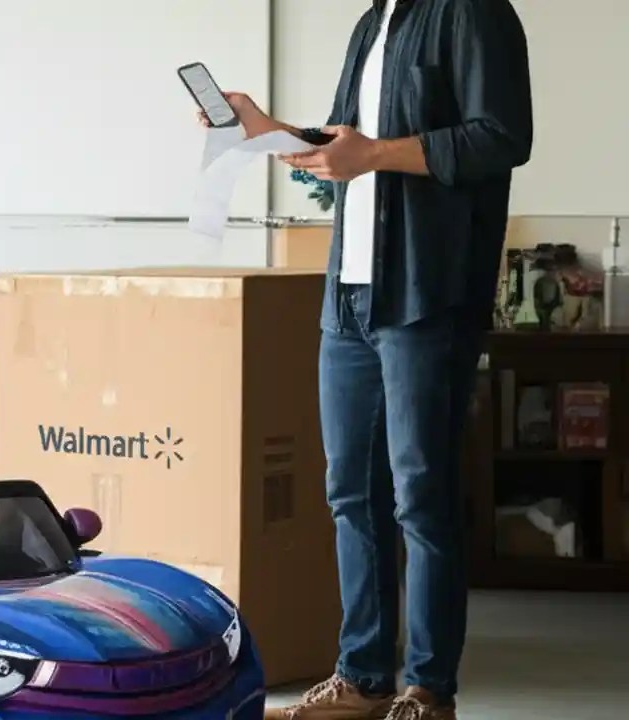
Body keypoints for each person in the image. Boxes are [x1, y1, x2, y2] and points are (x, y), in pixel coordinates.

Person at [199, 1, 532, 718]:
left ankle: (428, 690)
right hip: (348, 296)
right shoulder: (370, 23)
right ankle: (364, 678)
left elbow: (500, 137)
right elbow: (340, 151)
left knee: (422, 499)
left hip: (425, 293)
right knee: (350, 494)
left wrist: (374, 155)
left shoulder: (471, 13)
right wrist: (268, 130)